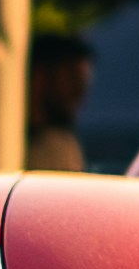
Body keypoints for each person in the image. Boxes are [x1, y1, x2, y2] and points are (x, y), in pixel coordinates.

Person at [24, 26, 95, 174]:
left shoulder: (63, 145)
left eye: (83, 83)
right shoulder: (52, 148)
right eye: (73, 79)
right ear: (39, 76)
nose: (80, 93)